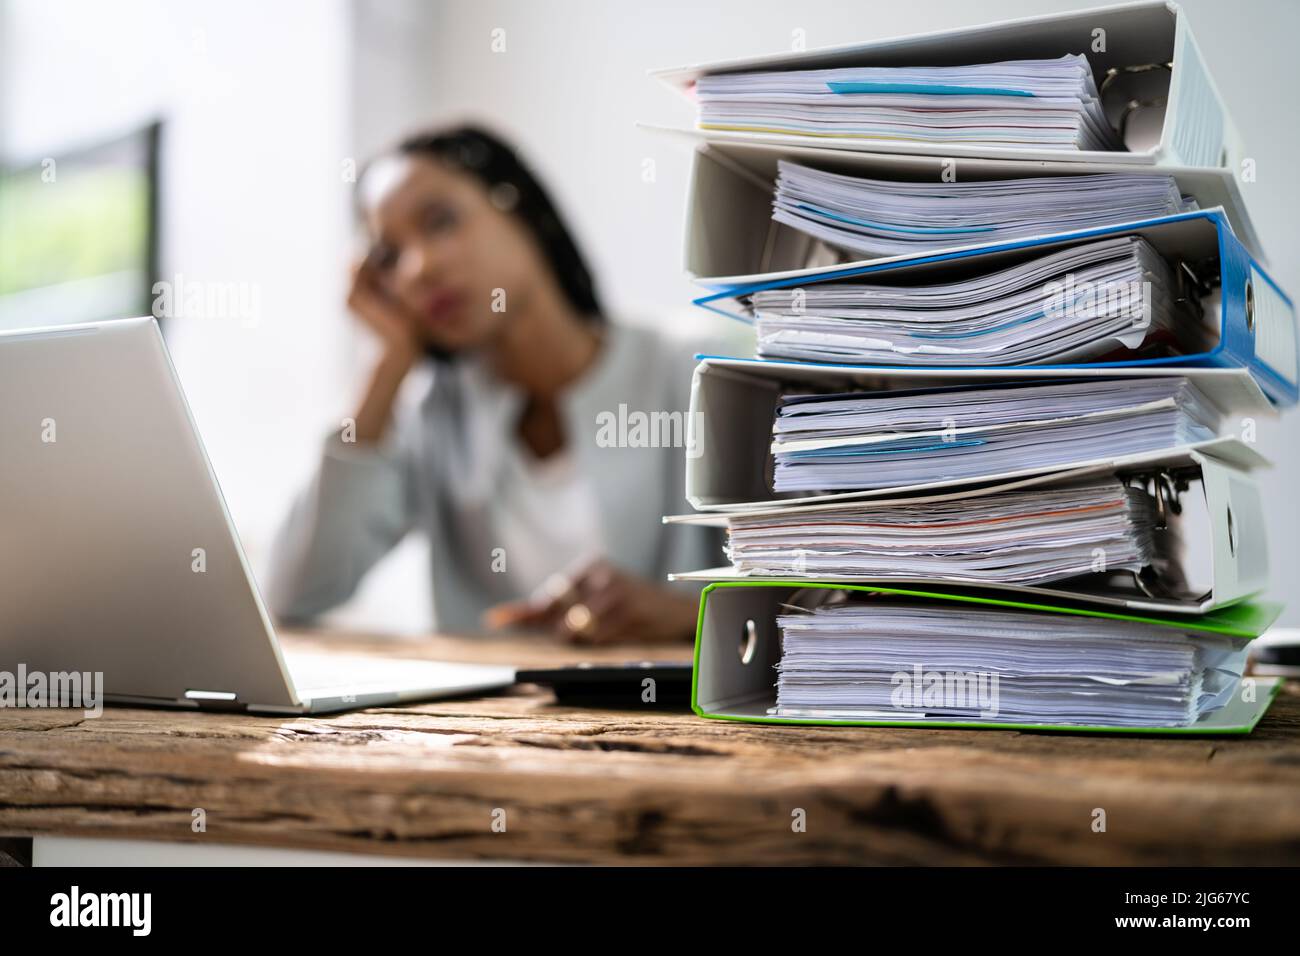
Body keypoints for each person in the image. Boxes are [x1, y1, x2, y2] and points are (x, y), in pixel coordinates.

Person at [263, 126, 720, 644]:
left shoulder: (698, 371)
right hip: (493, 699)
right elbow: (292, 593)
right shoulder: (433, 411)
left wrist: (688, 617)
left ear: (517, 205)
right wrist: (387, 363)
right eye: (389, 257)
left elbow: (800, 598)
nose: (418, 269)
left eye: (440, 221)